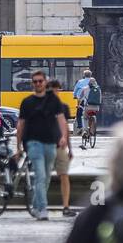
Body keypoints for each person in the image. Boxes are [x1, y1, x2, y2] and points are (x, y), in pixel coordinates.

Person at [17, 69, 68, 220]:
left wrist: (63, 137)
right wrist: (18, 146)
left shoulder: (53, 101)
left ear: (45, 82)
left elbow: (61, 120)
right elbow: (20, 125)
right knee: (40, 175)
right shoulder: (27, 102)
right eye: (35, 81)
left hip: (50, 143)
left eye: (40, 81)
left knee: (46, 178)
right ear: (32, 84)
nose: (38, 84)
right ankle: (43, 209)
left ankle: (35, 205)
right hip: (33, 143)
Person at [48, 79, 77, 218]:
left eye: (56, 89)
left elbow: (65, 128)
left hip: (60, 146)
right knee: (43, 177)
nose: (55, 92)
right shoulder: (41, 106)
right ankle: (41, 205)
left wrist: (70, 149)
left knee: (64, 175)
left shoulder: (63, 107)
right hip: (45, 146)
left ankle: (66, 206)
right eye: (52, 89)